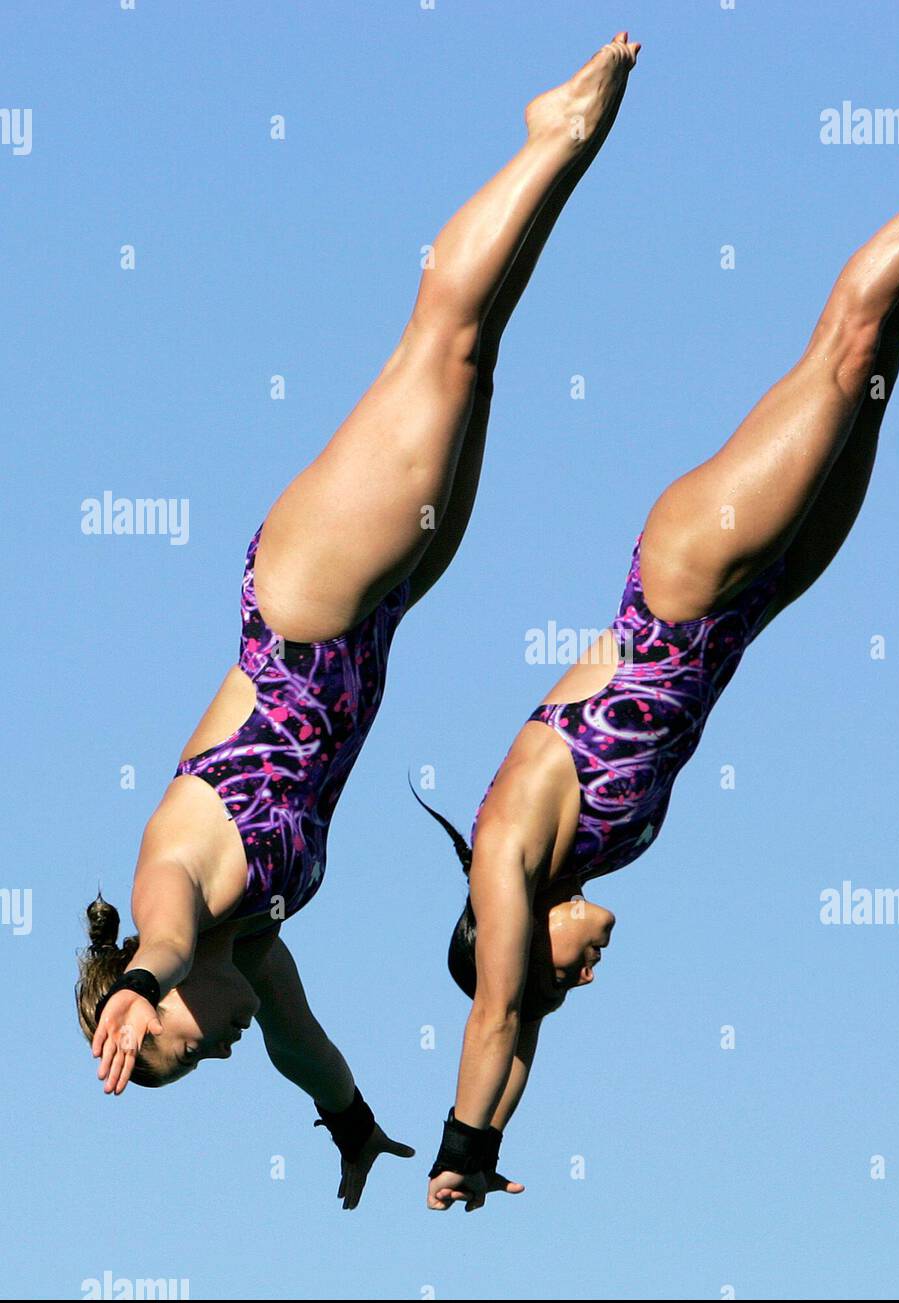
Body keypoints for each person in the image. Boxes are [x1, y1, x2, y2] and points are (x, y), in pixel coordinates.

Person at [419, 87, 899, 1210]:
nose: (590, 968)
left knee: (843, 350)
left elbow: (498, 1018)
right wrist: (487, 1151)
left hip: (688, 578)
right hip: (746, 606)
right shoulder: (564, 865)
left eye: (566, 974)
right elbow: (520, 1031)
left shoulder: (506, 855)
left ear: (514, 942)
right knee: (884, 364)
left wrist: (456, 1153)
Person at [75, 35, 643, 1209]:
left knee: (436, 340)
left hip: (304, 602)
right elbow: (297, 1047)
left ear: (159, 1008)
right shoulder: (258, 951)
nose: (216, 1053)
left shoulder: (175, 891)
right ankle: (563, 154)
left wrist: (138, 985)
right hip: (373, 617)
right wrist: (349, 1122)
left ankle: (554, 135)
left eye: (184, 1051)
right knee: (477, 362)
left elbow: (166, 941)